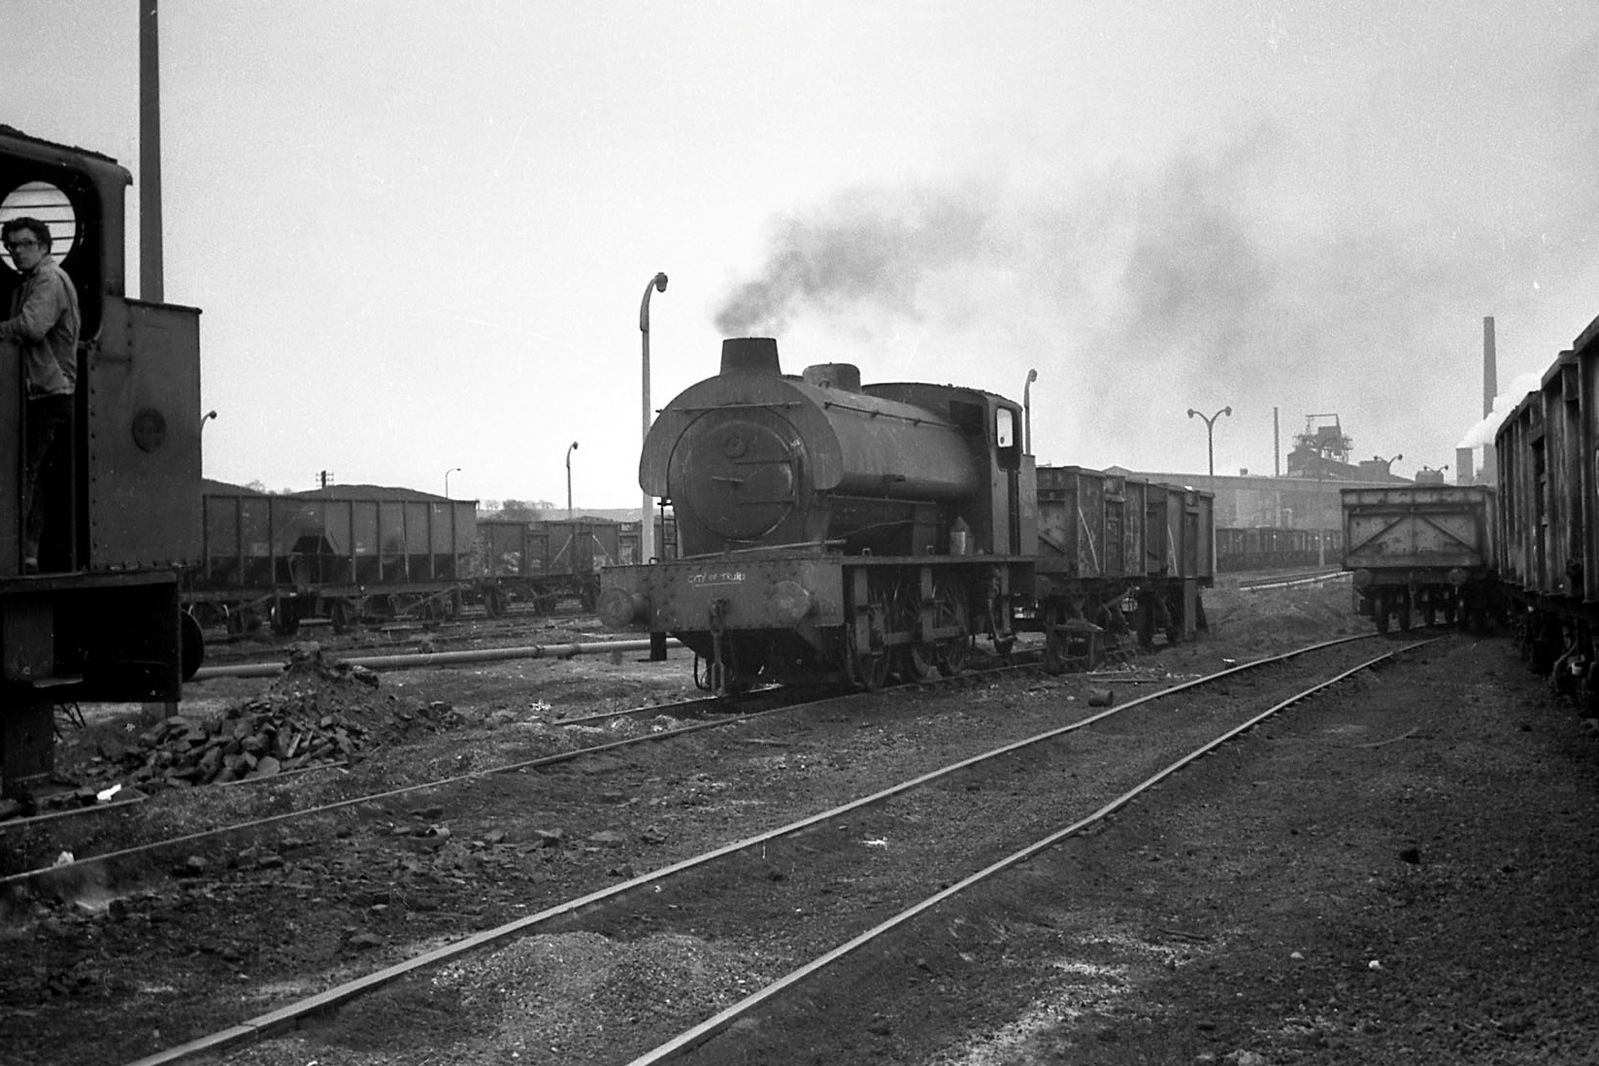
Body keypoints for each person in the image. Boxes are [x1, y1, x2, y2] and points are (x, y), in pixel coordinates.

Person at [0, 217, 79, 574]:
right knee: (32, 474)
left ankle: (15, 553)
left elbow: (32, 326)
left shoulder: (48, 279)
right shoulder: (34, 280)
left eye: (25, 244)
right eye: (12, 246)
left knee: (24, 472)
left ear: (44, 246)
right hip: (42, 390)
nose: (17, 251)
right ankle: (28, 553)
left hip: (48, 391)